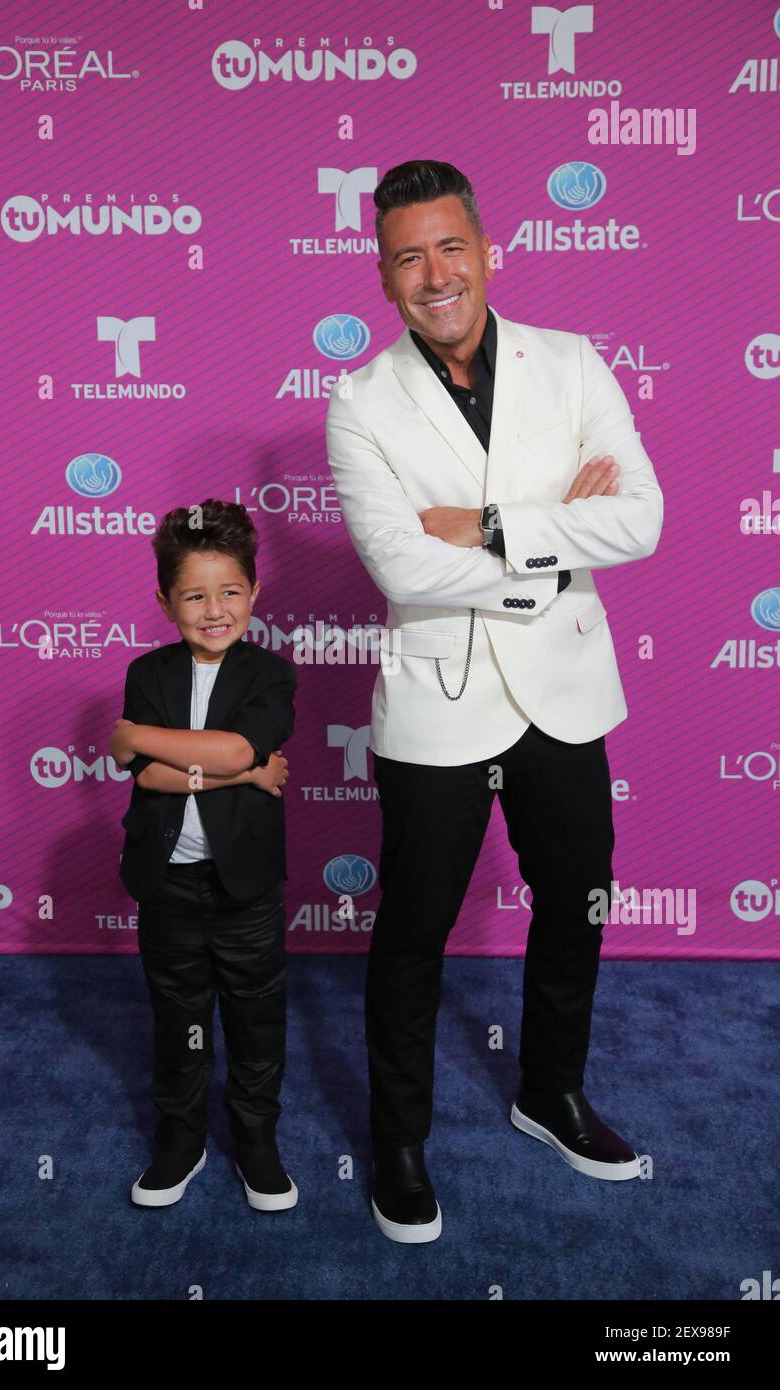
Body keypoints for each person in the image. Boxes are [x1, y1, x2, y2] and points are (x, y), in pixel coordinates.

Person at [325, 160, 663, 1243]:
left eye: (449, 246)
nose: (435, 274)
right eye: (408, 256)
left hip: (563, 690)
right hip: (438, 703)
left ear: (487, 248)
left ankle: (548, 1091)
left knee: (576, 903)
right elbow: (398, 568)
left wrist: (479, 525)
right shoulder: (359, 399)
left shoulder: (572, 365)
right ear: (381, 277)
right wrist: (556, 529)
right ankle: (399, 1140)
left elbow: (641, 520)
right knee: (412, 932)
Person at [110, 500, 299, 1213]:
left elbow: (224, 747)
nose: (214, 609)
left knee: (256, 1014)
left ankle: (256, 1139)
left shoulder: (270, 675)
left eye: (230, 592)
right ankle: (182, 1137)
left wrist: (145, 740)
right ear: (165, 601)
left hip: (244, 885)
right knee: (178, 1013)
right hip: (166, 884)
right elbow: (145, 774)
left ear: (253, 592)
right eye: (194, 595)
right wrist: (243, 773)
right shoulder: (149, 673)